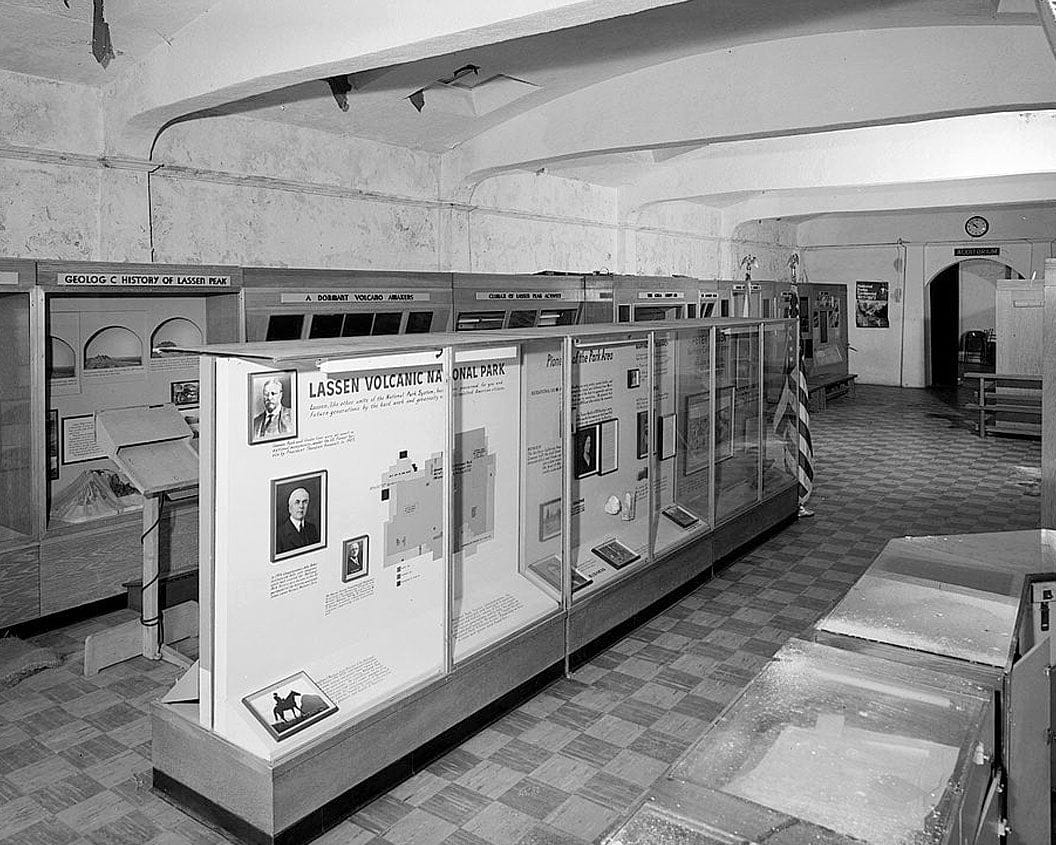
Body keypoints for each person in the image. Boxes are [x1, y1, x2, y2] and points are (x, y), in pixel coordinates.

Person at [276, 487, 319, 553]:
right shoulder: (280, 534)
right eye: (297, 502)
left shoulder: (312, 528)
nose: (301, 506)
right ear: (290, 508)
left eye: (304, 502)